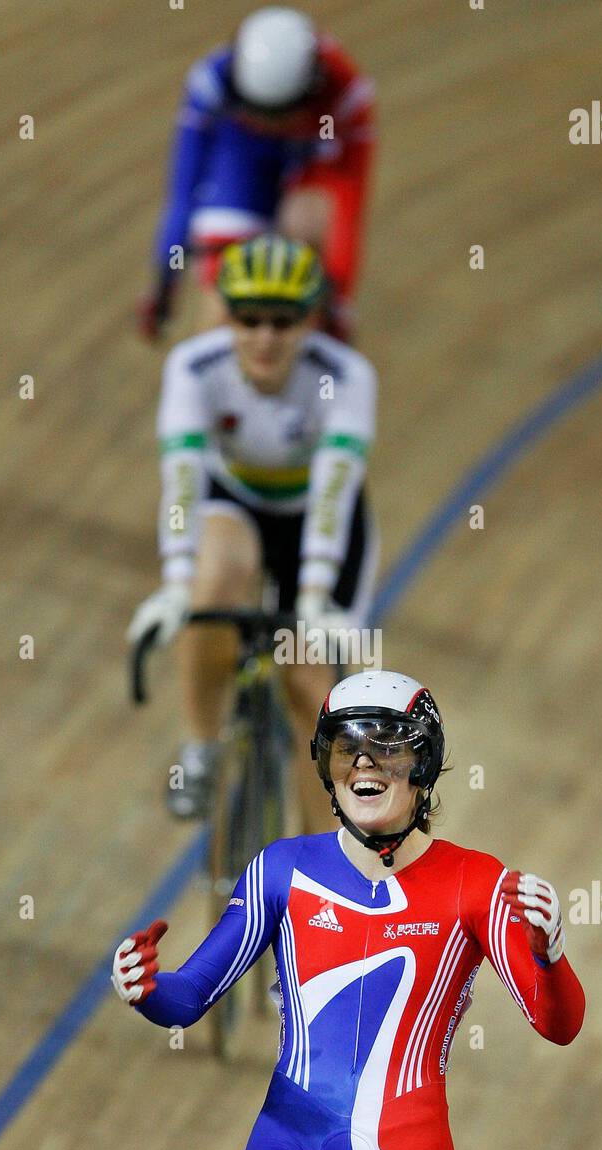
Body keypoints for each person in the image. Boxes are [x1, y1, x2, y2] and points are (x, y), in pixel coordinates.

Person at [112, 670, 586, 1150]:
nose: (365, 763)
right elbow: (188, 998)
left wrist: (548, 954)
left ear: (423, 766)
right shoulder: (283, 869)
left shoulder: (476, 882)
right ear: (327, 767)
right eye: (347, 748)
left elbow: (559, 1025)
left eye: (387, 747)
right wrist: (146, 988)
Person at [126, 233, 379, 831]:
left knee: (320, 700)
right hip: (234, 500)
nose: (265, 337)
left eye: (283, 321)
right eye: (249, 319)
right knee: (211, 590)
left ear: (310, 319)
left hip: (317, 520)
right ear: (226, 315)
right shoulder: (194, 367)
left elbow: (333, 491)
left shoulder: (344, 376)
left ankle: (328, 879)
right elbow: (183, 481)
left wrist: (315, 598)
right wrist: (175, 584)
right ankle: (202, 745)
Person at [136, 6, 376, 343]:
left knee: (304, 241)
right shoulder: (210, 82)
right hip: (243, 156)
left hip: (310, 165)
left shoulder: (349, 97)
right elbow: (184, 192)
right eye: (257, 110)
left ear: (312, 89)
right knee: (224, 297)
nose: (268, 124)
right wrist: (166, 280)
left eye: (280, 113)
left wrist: (339, 302)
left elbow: (348, 209)